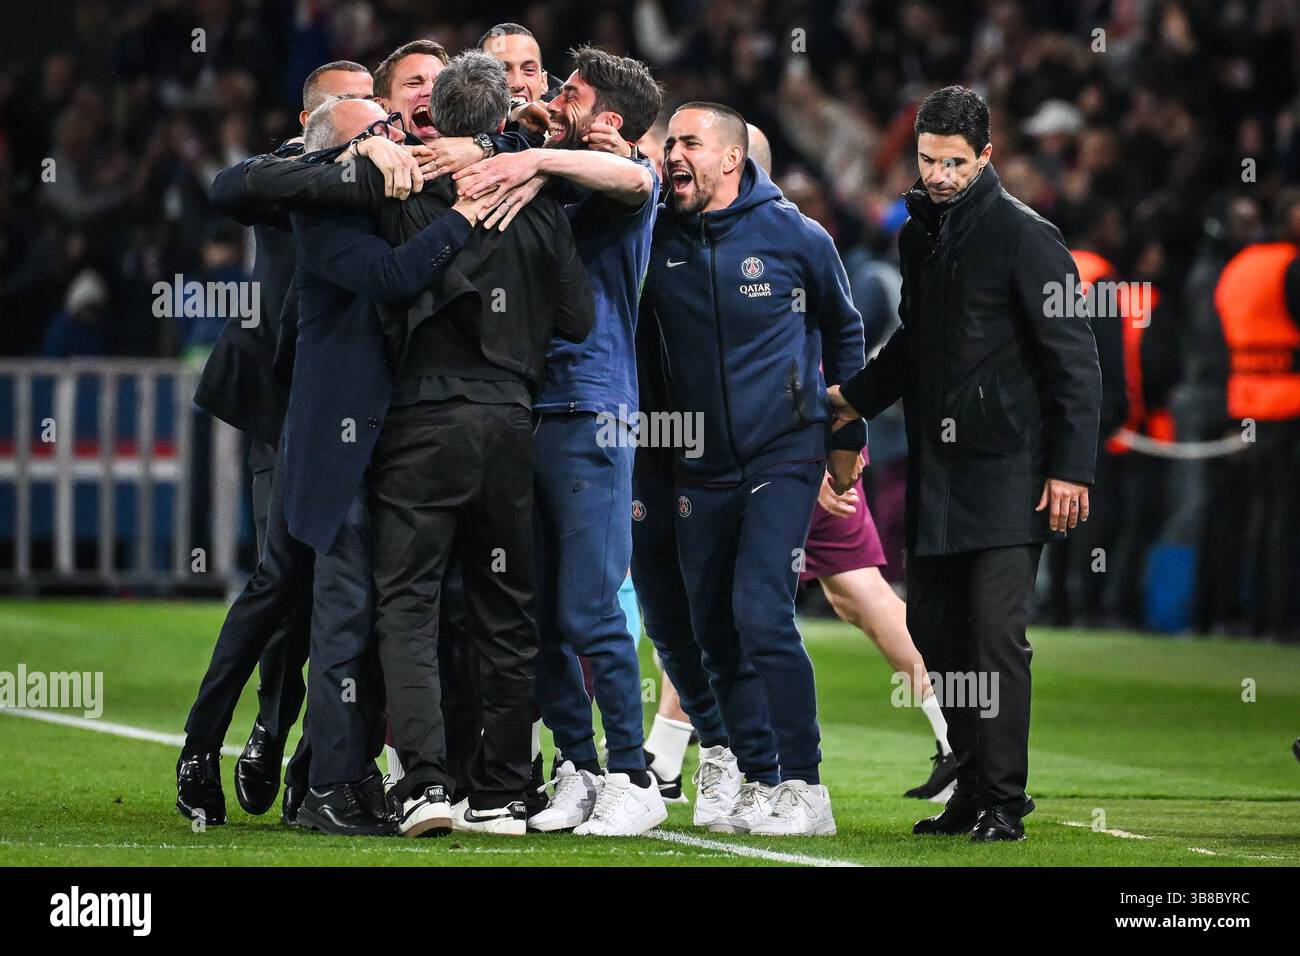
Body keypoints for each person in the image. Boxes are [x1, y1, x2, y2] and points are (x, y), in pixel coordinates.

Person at [829, 86, 1103, 842]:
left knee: (993, 637)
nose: (940, 174)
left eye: (955, 161)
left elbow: (1074, 362)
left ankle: (1004, 803)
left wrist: (1071, 469)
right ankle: (971, 788)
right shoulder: (922, 236)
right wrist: (852, 399)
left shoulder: (1027, 238)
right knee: (936, 628)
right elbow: (914, 346)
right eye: (927, 160)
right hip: (940, 472)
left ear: (986, 156)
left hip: (1012, 472)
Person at [364, 50, 594, 838]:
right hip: (509, 426)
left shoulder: (411, 190)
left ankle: (426, 784)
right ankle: (503, 791)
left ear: (435, 118)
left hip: (423, 421)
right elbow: (579, 320)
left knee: (409, 603)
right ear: (500, 119)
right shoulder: (536, 205)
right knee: (506, 611)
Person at [453, 45, 665, 836]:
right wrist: (533, 152)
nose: (547, 94)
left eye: (566, 91)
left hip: (591, 408)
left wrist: (542, 155)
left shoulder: (620, 175)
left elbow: (635, 179)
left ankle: (634, 775)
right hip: (525, 405)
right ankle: (577, 765)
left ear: (606, 117)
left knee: (587, 605)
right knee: (531, 612)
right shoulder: (554, 174)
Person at [642, 101, 867, 836]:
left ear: (732, 159)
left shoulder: (797, 236)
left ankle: (807, 786)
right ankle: (758, 778)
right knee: (711, 632)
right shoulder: (653, 236)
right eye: (669, 141)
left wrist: (846, 436)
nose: (673, 154)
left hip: (784, 451)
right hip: (693, 463)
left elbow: (845, 328)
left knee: (759, 613)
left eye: (688, 143)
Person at [177, 60, 376, 826]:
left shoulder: (395, 167)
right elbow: (227, 187)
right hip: (281, 409)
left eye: (370, 99)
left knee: (343, 596)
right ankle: (214, 742)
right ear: (310, 120)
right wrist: (322, 162)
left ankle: (294, 750)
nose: (362, 111)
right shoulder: (289, 174)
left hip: (365, 409)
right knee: (281, 582)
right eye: (344, 102)